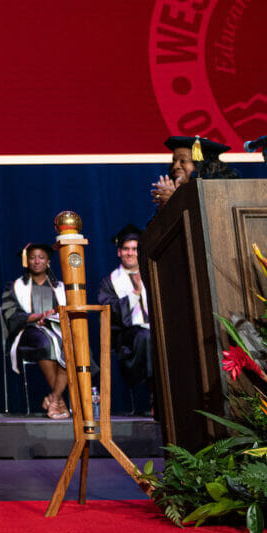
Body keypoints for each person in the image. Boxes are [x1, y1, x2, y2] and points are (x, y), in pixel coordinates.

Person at [0, 242, 70, 419]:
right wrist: (38, 316)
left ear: (48, 261)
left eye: (41, 257)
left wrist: (55, 315)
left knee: (72, 347)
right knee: (45, 343)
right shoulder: (15, 286)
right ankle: (59, 401)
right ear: (27, 261)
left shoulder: (60, 288)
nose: (36, 261)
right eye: (32, 258)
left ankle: (54, 399)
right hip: (29, 334)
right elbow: (11, 315)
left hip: (57, 330)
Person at [95, 224, 152, 408]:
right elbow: (110, 313)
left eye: (134, 249)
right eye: (126, 249)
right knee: (147, 337)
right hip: (126, 335)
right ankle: (153, 394)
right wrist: (135, 293)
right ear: (119, 252)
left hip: (152, 328)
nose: (130, 253)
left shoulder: (152, 272)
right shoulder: (109, 282)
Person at [151, 135, 237, 206]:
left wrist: (176, 201)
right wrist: (164, 206)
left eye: (183, 161)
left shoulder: (222, 195)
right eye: (174, 161)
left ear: (202, 165)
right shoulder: (174, 194)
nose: (175, 166)